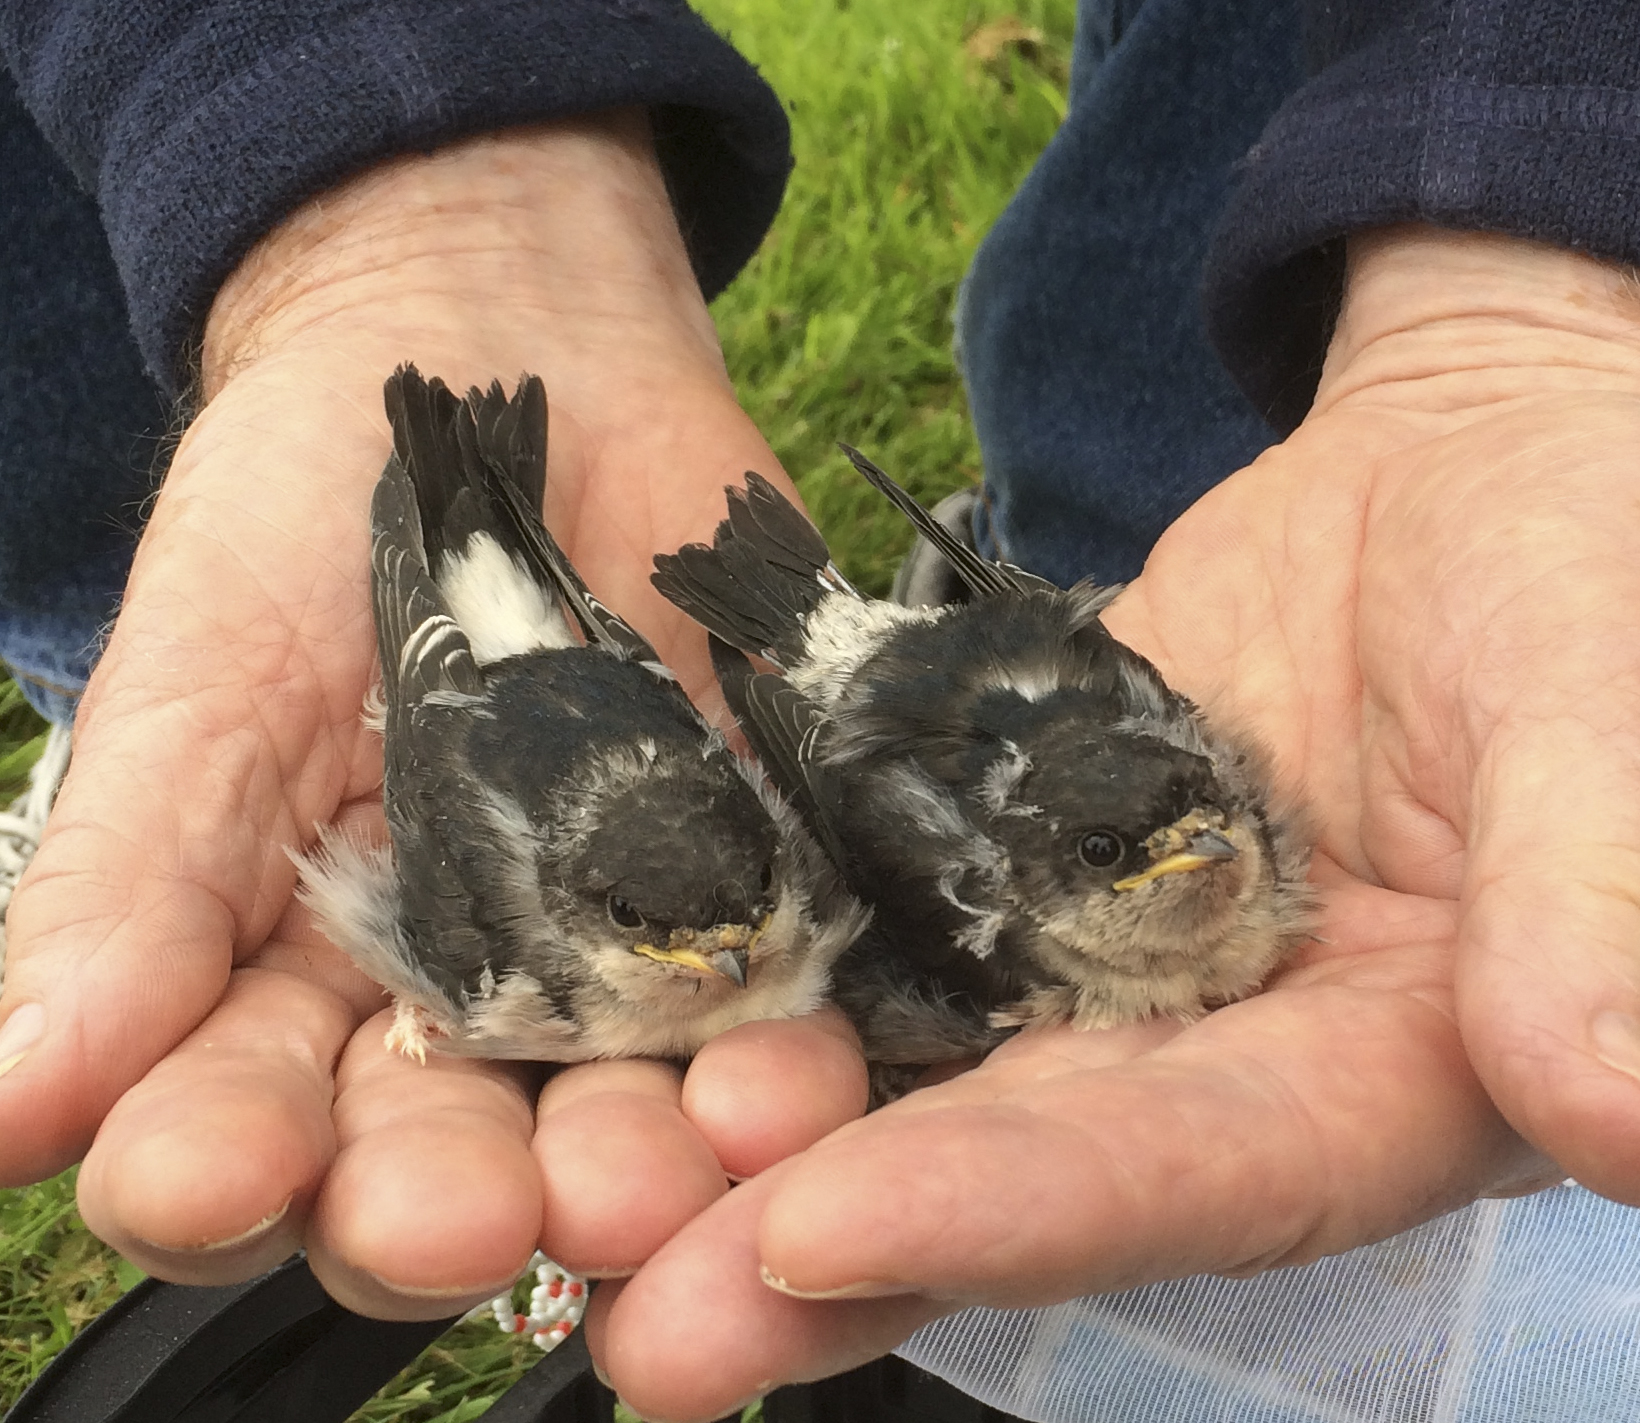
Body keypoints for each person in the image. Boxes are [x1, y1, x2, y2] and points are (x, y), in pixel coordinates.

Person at [1, 0, 1639, 1419]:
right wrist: (420, 215)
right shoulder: (699, 904)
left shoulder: (1026, 841)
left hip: (777, 677)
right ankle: (133, 659)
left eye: (1187, 833)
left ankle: (1058, 537)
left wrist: (1517, 330)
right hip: (616, 683)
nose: (729, 967)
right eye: (1145, 851)